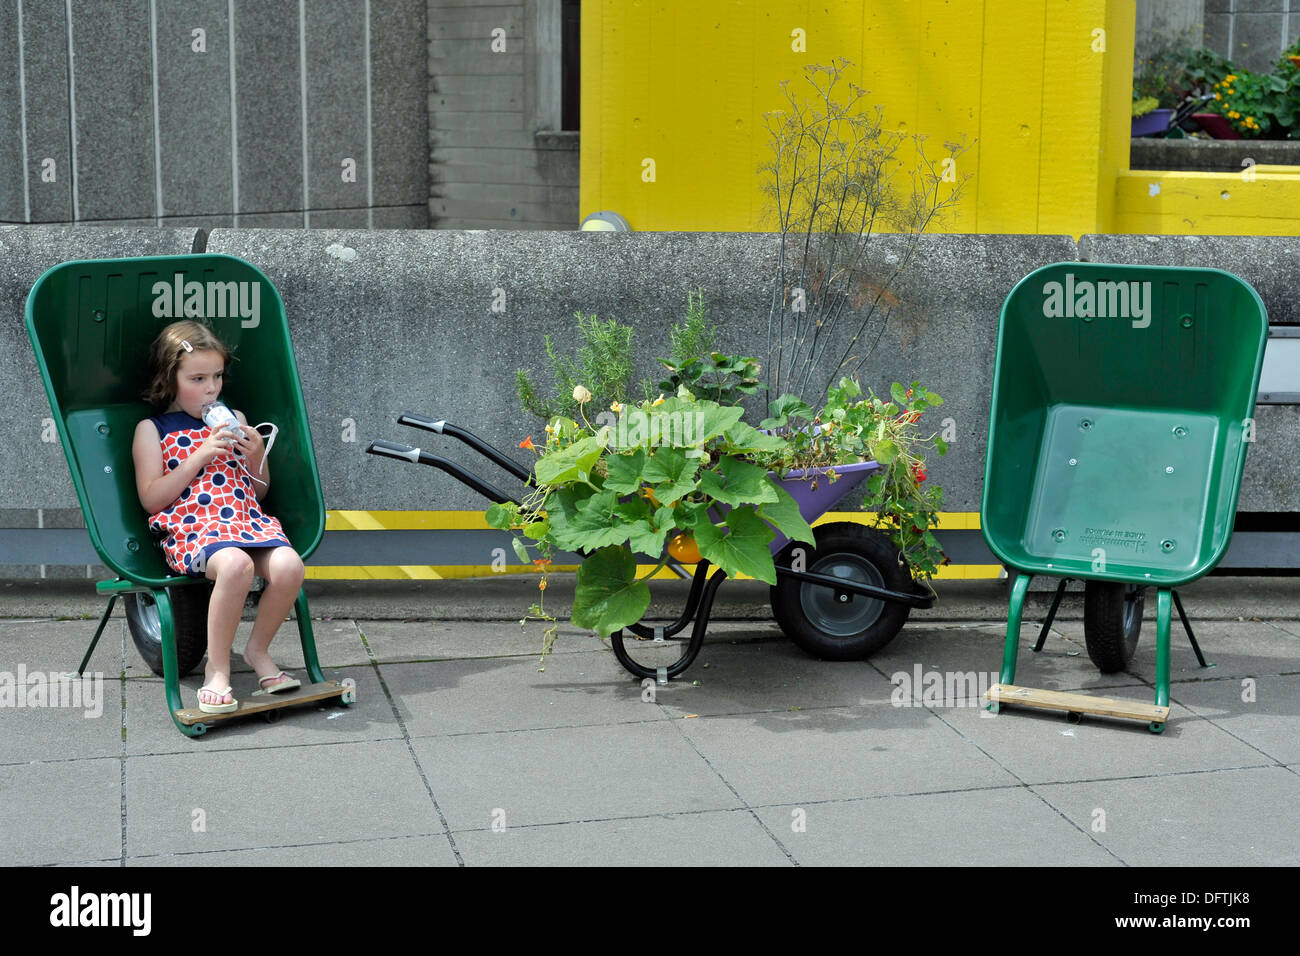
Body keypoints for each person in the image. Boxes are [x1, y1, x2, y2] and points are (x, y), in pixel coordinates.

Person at [132, 320, 305, 714]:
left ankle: (258, 651)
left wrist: (256, 454)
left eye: (217, 376)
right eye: (197, 378)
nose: (211, 388)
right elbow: (151, 498)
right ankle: (218, 668)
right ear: (169, 379)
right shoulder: (152, 429)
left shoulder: (236, 418)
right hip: (194, 529)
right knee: (235, 564)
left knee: (290, 566)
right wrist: (199, 455)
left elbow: (258, 491)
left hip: (245, 521)